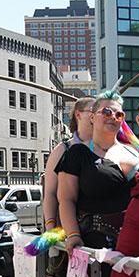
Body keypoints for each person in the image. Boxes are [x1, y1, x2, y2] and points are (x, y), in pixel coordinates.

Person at [57, 91, 139, 255]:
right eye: (106, 112)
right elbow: (66, 199)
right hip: (92, 244)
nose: (113, 117)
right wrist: (73, 235)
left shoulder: (135, 153)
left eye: (119, 114)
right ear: (92, 117)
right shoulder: (77, 153)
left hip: (132, 242)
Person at [42, 95, 94, 231]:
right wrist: (50, 230)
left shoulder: (109, 148)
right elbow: (50, 193)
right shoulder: (62, 149)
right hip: (69, 230)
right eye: (93, 110)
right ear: (79, 115)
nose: (98, 115)